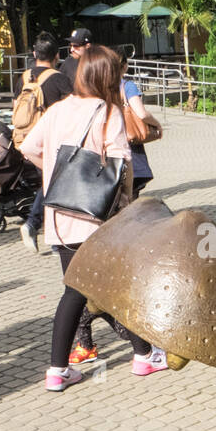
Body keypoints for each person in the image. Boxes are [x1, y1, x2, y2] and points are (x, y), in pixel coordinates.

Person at [19, 45, 168, 391]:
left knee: (76, 290)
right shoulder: (108, 112)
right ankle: (144, 356)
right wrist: (128, 201)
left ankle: (58, 370)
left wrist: (56, 173)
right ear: (108, 77)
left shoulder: (57, 110)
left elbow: (28, 148)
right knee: (116, 288)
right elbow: (121, 163)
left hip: (59, 215)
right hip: (95, 216)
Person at [70, 74, 163, 364]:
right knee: (102, 283)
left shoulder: (74, 109)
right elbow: (124, 166)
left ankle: (93, 345)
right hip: (107, 208)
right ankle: (140, 346)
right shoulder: (111, 108)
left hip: (76, 207)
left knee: (83, 285)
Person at [16, 33, 75, 250]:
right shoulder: (59, 78)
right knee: (54, 184)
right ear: (57, 55)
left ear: (34, 54)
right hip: (52, 142)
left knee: (49, 183)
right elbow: (72, 110)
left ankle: (48, 234)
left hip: (25, 140)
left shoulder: (23, 77)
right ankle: (36, 225)